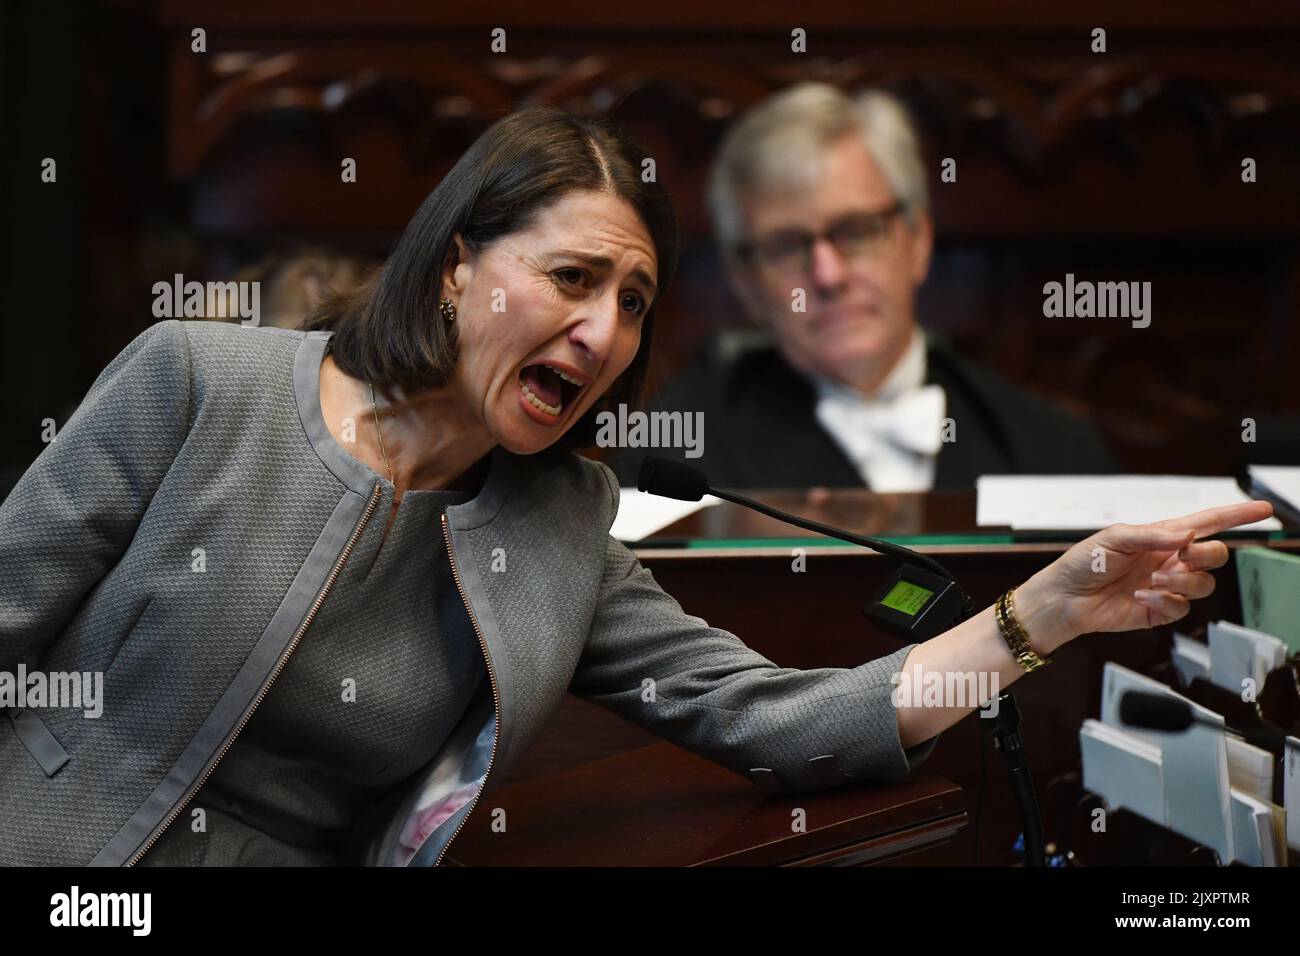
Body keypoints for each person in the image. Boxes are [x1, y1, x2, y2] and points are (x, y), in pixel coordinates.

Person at [0, 105, 1269, 867]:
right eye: (570, 281)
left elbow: (779, 717)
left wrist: (1043, 610)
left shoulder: (555, 531)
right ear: (456, 268)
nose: (604, 332)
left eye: (634, 302)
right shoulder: (196, 380)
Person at [612, 83, 1116, 491]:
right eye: (787, 246)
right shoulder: (672, 449)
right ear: (744, 282)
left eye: (856, 232)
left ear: (917, 241)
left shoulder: (1058, 450)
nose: (828, 276)